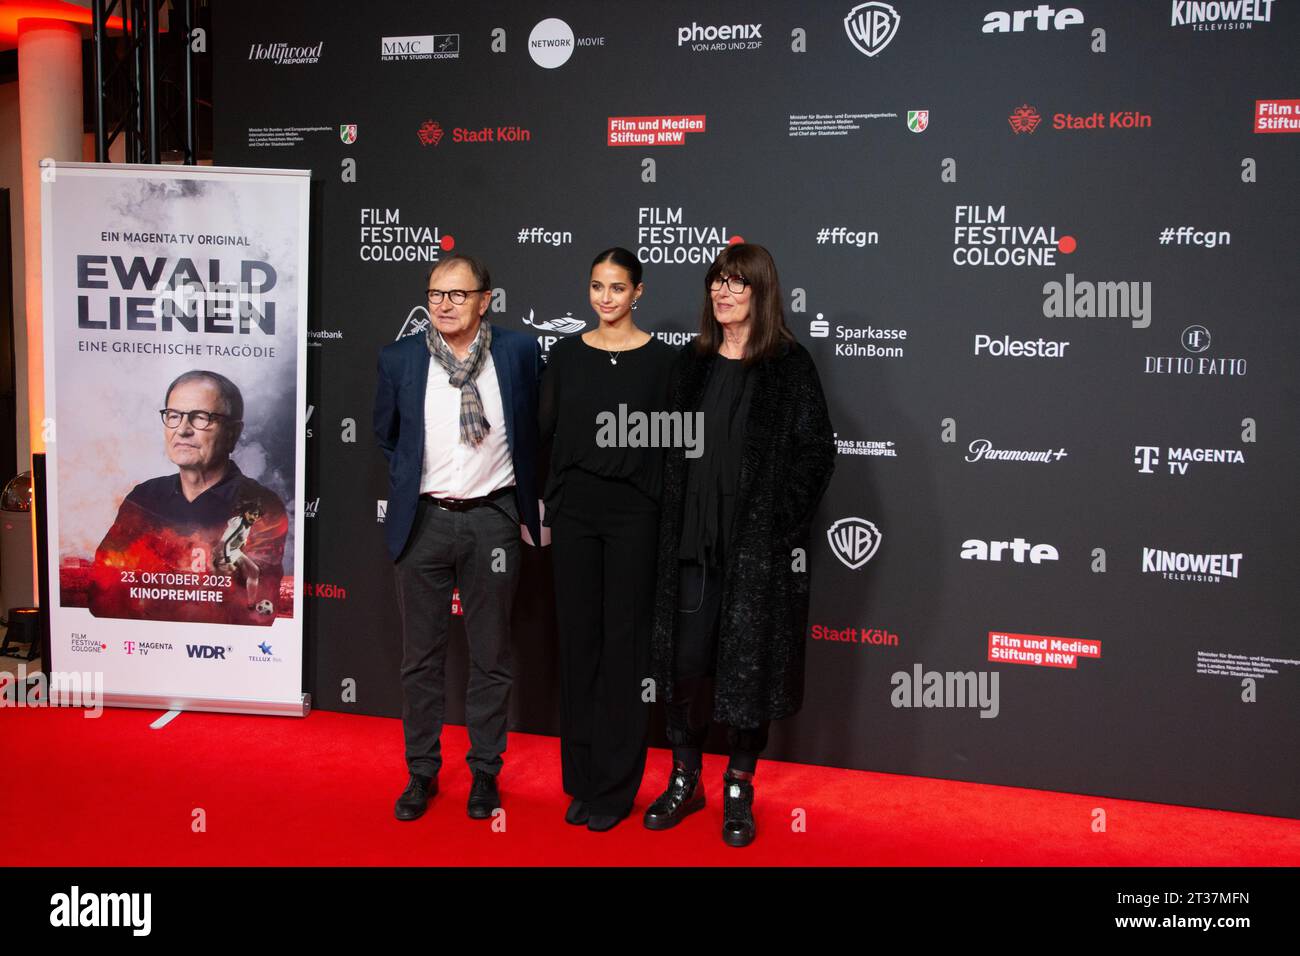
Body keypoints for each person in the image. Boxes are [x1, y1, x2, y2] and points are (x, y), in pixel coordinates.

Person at [644, 243, 835, 847]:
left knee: (748, 673)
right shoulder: (692, 362)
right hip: (690, 546)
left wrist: (776, 526)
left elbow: (816, 455)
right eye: (716, 282)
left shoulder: (789, 366)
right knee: (683, 667)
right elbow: (664, 450)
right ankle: (685, 779)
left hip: (755, 554)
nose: (722, 292)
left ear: (761, 291)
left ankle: (738, 787)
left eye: (736, 283)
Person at [373, 254, 542, 823]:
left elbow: (534, 428)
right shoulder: (400, 358)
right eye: (435, 294)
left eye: (457, 295)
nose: (443, 305)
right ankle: (421, 772)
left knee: (491, 655)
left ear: (484, 300)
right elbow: (386, 435)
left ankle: (485, 772)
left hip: (493, 519)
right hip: (423, 521)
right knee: (420, 659)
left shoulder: (518, 353)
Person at [540, 247, 676, 831]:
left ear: (638, 292)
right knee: (579, 646)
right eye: (597, 286)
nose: (605, 298)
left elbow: (676, 444)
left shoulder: (664, 362)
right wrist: (551, 504)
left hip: (634, 517)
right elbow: (545, 433)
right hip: (575, 514)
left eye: (617, 287)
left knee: (625, 650)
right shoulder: (566, 355)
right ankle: (583, 780)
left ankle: (617, 787)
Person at [90, 370, 288, 625]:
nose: (182, 430)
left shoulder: (261, 506)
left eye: (201, 418)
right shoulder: (143, 498)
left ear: (233, 433)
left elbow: (259, 612)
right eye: (174, 416)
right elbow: (102, 592)